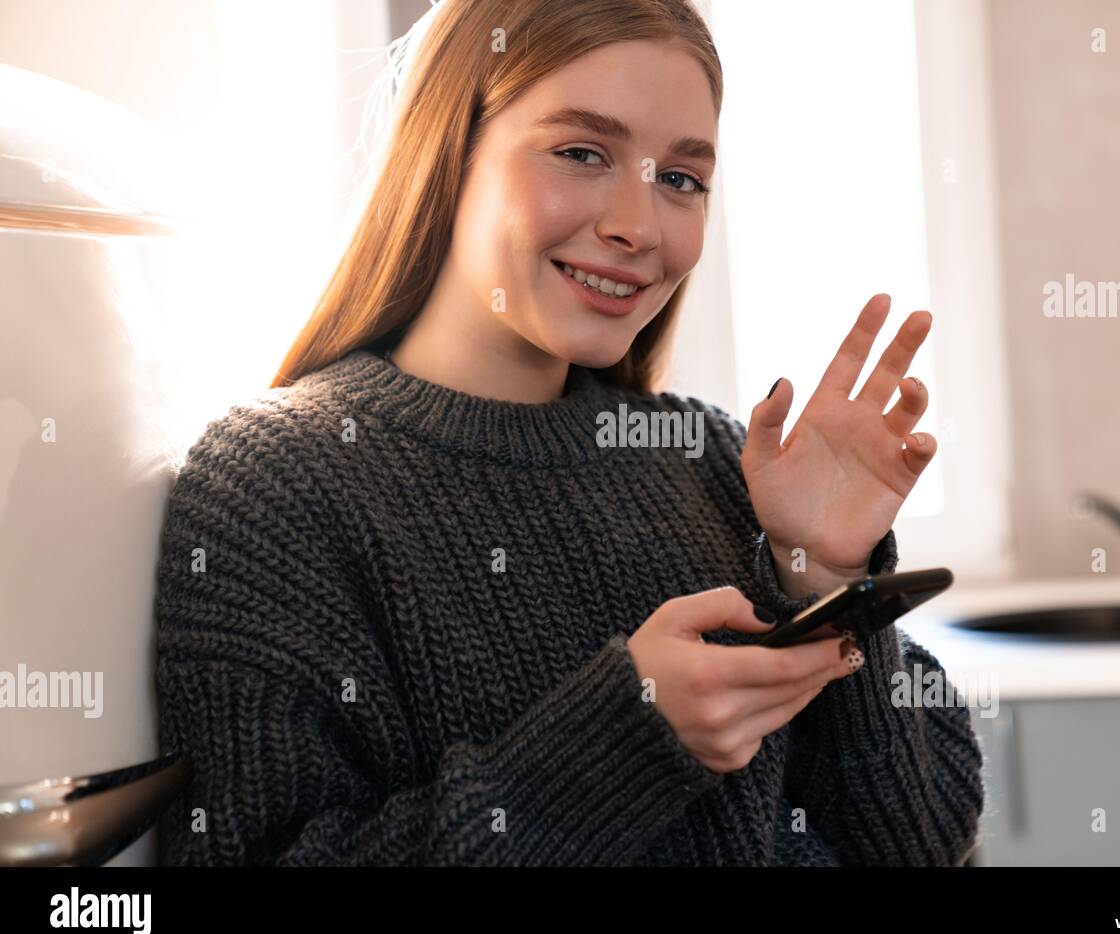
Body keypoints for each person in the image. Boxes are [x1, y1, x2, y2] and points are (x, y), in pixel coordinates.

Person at [153, 0, 984, 866]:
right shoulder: (275, 488)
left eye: (681, 179)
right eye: (582, 153)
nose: (640, 226)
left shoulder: (711, 462)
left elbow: (916, 843)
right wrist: (625, 739)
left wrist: (821, 577)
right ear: (449, 148)